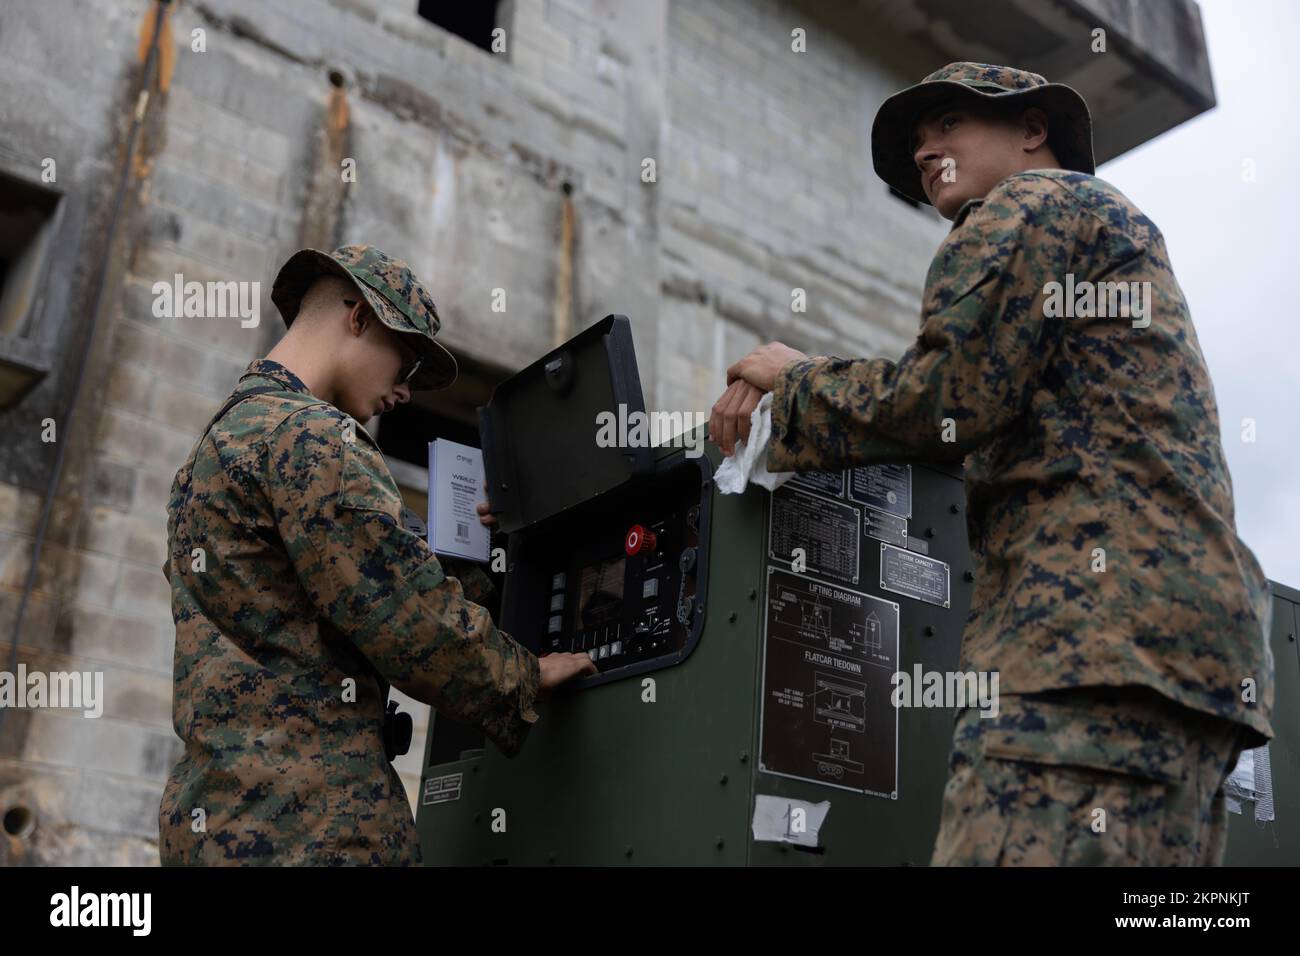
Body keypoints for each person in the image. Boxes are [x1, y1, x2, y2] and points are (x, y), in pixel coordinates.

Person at [712, 63, 1274, 865]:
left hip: (1085, 653)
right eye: (916, 143)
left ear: (1032, 131)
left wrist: (791, 380)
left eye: (948, 123)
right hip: (1186, 665)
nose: (926, 150)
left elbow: (946, 398)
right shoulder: (1111, 229)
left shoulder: (1030, 204)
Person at [159, 244, 595, 865]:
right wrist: (524, 676)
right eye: (406, 361)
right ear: (359, 317)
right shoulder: (316, 439)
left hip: (215, 820)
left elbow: (342, 596)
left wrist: (476, 555)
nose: (404, 392)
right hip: (311, 828)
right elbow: (411, 626)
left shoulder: (215, 447)